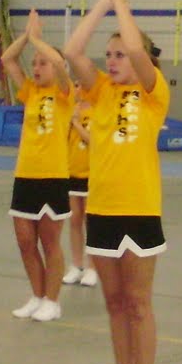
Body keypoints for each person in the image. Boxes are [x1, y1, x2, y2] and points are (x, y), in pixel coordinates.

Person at [64, 0, 168, 364]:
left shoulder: (151, 92)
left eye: (119, 54)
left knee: (139, 303)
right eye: (109, 55)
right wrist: (103, 3)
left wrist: (123, 3)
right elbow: (72, 51)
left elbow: (140, 53)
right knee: (113, 304)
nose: (112, 61)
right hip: (103, 209)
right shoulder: (100, 91)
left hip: (140, 208)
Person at [1, 10, 72, 322]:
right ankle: (37, 294)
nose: (37, 67)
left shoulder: (65, 94)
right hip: (25, 176)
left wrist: (39, 41)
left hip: (52, 176)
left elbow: (58, 62)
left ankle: (52, 300)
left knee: (49, 241)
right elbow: (8, 60)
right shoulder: (30, 91)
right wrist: (27, 38)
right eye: (35, 63)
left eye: (42, 62)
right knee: (25, 241)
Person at [61, 95, 99, 287]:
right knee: (75, 219)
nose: (78, 90)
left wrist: (76, 122)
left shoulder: (98, 109)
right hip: (72, 172)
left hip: (91, 174)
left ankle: (92, 267)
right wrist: (69, 122)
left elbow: (93, 140)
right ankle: (76, 265)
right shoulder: (72, 110)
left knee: (90, 221)